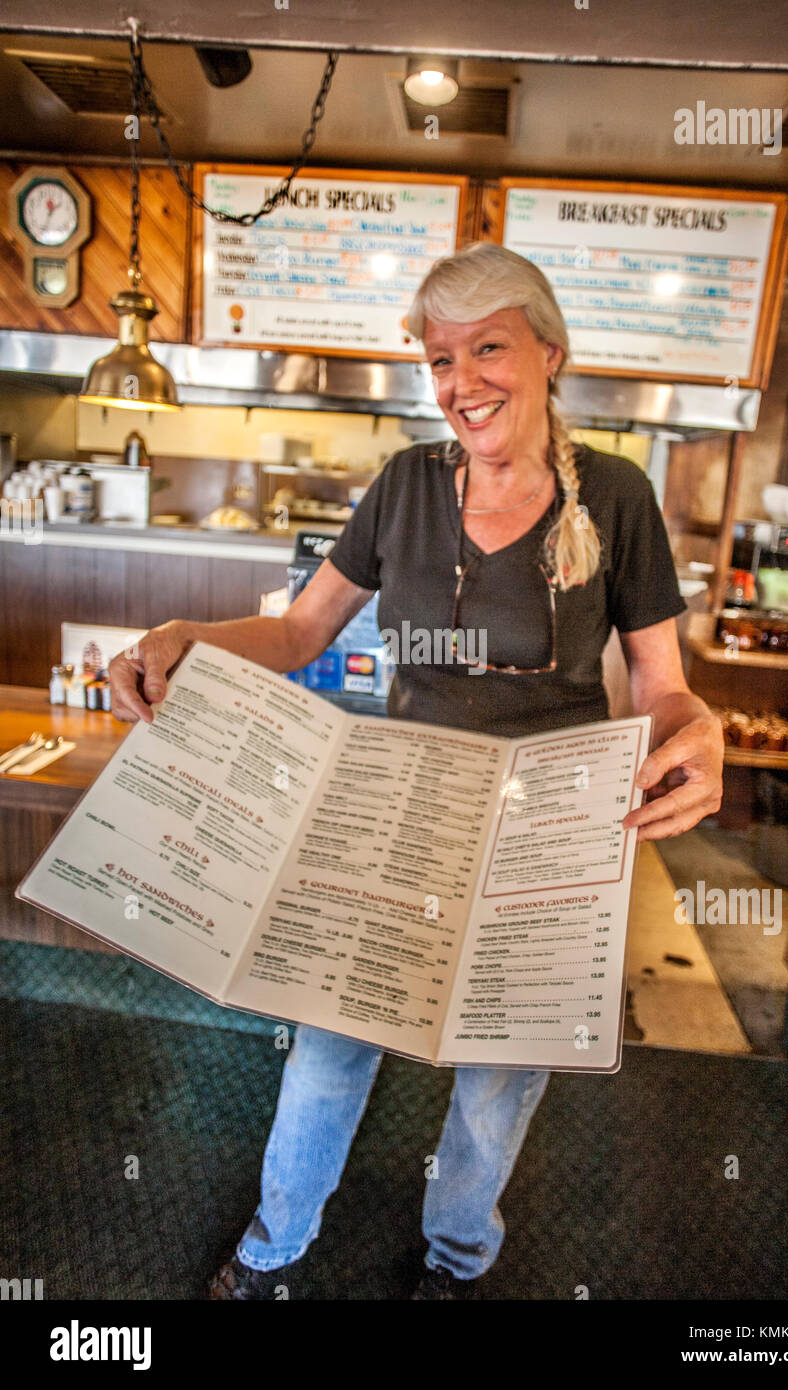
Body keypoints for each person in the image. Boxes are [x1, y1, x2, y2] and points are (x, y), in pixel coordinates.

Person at [109, 242, 724, 1300]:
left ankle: (455, 1259)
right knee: (327, 1047)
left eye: (488, 347)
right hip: (401, 811)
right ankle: (277, 1240)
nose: (460, 381)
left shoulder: (615, 497)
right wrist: (186, 637)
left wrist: (694, 726)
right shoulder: (400, 485)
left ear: (548, 354)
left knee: (495, 1076)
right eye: (439, 358)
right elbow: (301, 629)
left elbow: (660, 681)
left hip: (548, 829)